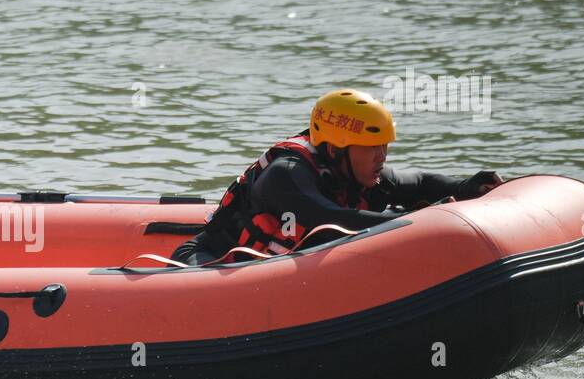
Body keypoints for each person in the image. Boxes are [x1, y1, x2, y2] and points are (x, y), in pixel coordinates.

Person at [172, 88, 504, 265]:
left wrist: (467, 187)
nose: (381, 156)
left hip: (263, 270)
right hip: (209, 261)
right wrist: (415, 223)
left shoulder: (354, 172)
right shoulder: (285, 177)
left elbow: (417, 183)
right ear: (335, 150)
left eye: (384, 146)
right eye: (371, 148)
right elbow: (331, 219)